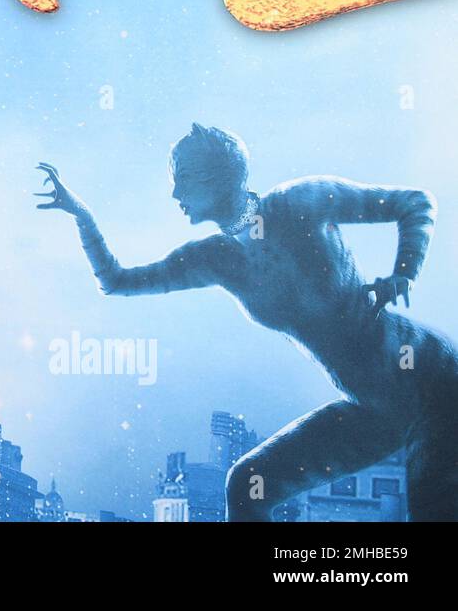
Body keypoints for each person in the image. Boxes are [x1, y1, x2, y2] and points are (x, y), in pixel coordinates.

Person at [36, 123, 458, 520]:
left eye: (183, 177)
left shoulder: (302, 202)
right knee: (248, 483)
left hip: (433, 382)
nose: (174, 192)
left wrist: (404, 271)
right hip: (373, 408)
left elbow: (415, 203)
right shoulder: (216, 259)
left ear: (217, 177)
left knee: (432, 506)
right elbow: (116, 281)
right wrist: (82, 216)